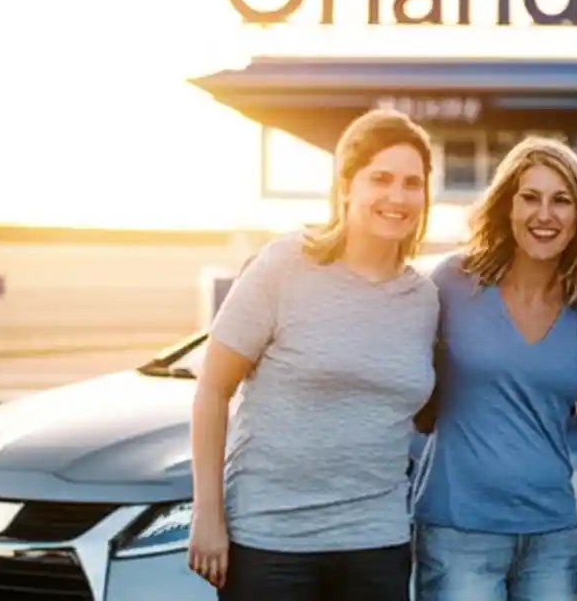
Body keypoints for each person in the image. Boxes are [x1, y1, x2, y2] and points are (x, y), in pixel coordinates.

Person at [187, 109, 440, 601]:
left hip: (376, 541)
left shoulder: (425, 299)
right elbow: (212, 390)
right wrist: (208, 514)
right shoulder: (286, 265)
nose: (397, 196)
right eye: (380, 178)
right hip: (271, 540)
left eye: (413, 183)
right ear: (346, 185)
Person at [412, 137, 577, 601]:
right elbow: (410, 391)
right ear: (506, 206)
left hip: (552, 536)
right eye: (530, 198)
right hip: (459, 533)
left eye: (561, 200)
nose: (544, 214)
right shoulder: (452, 282)